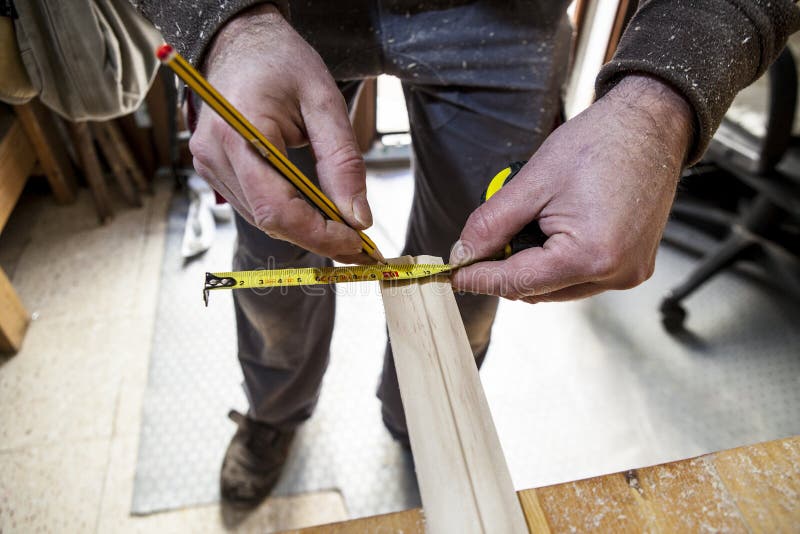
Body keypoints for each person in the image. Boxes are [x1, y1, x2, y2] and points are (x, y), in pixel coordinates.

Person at [135, 0, 799, 506]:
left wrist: (662, 104)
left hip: (506, 20)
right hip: (278, 12)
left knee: (471, 276)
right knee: (276, 265)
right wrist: (223, 19)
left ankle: (418, 420)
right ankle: (274, 413)